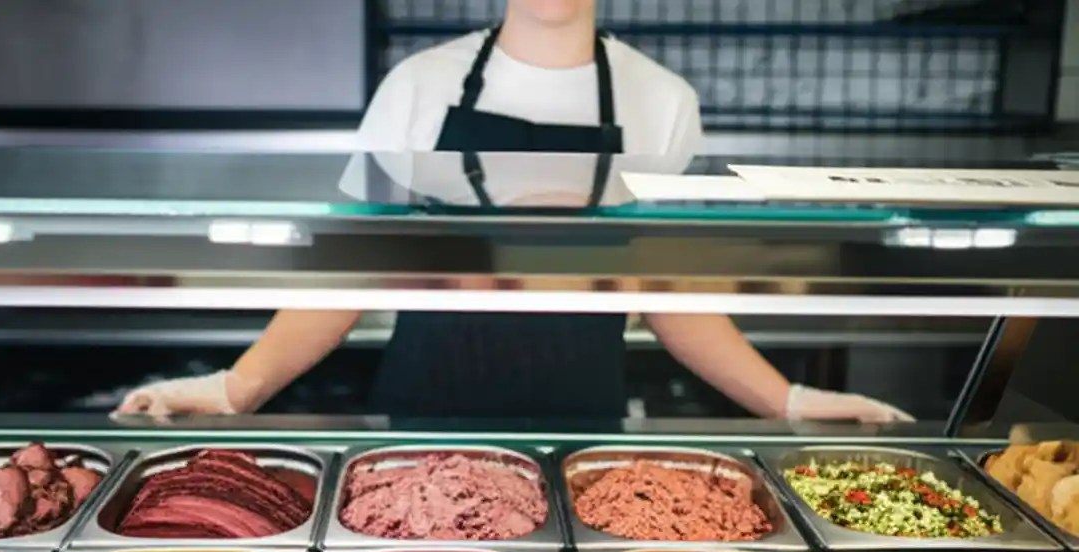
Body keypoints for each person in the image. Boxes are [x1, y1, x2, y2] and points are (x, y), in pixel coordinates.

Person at [116, 0, 912, 423]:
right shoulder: (419, 86)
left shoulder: (662, 102)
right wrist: (234, 390)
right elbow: (349, 271)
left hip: (581, 428)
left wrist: (790, 402)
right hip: (422, 421)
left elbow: (669, 297)